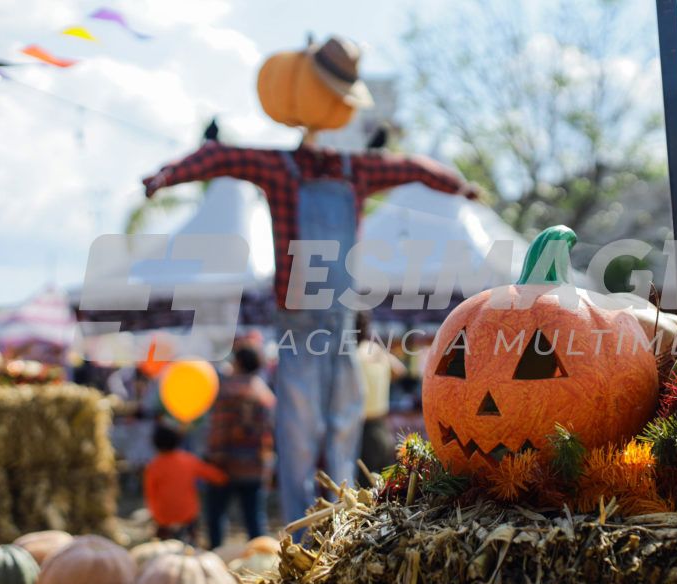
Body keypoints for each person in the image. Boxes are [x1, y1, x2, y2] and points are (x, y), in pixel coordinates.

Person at [142, 35, 479, 525]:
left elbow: (220, 157)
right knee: (307, 424)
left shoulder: (338, 168)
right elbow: (220, 158)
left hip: (333, 316)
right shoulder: (317, 168)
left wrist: (455, 185)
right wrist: (166, 175)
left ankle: (338, 518)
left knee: (339, 418)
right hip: (304, 314)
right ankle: (305, 526)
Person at [204, 346, 276, 548]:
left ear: (238, 363)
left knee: (216, 514)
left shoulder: (226, 391)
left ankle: (216, 554)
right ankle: (261, 554)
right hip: (255, 466)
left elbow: (219, 429)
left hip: (225, 465)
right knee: (254, 517)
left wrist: (214, 458)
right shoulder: (265, 394)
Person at [144, 423, 227, 544]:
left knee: (165, 547)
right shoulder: (187, 460)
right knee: (189, 546)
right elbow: (216, 476)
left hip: (163, 517)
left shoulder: (153, 466)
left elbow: (150, 493)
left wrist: (155, 515)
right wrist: (225, 475)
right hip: (187, 514)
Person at [355, 313, 406, 483]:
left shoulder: (351, 357)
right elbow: (399, 370)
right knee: (386, 487)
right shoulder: (376, 350)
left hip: (363, 432)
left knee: (363, 489)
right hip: (383, 428)